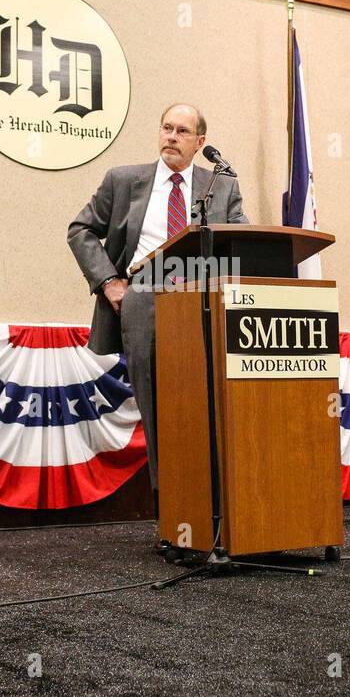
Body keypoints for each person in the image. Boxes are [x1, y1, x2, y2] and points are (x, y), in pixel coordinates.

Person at [67, 103, 246, 498]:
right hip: (144, 297)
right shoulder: (124, 180)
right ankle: (173, 515)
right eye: (167, 128)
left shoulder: (222, 185)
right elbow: (80, 229)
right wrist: (110, 282)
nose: (171, 137)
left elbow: (242, 243)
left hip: (202, 302)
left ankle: (210, 509)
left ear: (200, 142)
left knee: (203, 406)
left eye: (182, 131)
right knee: (157, 409)